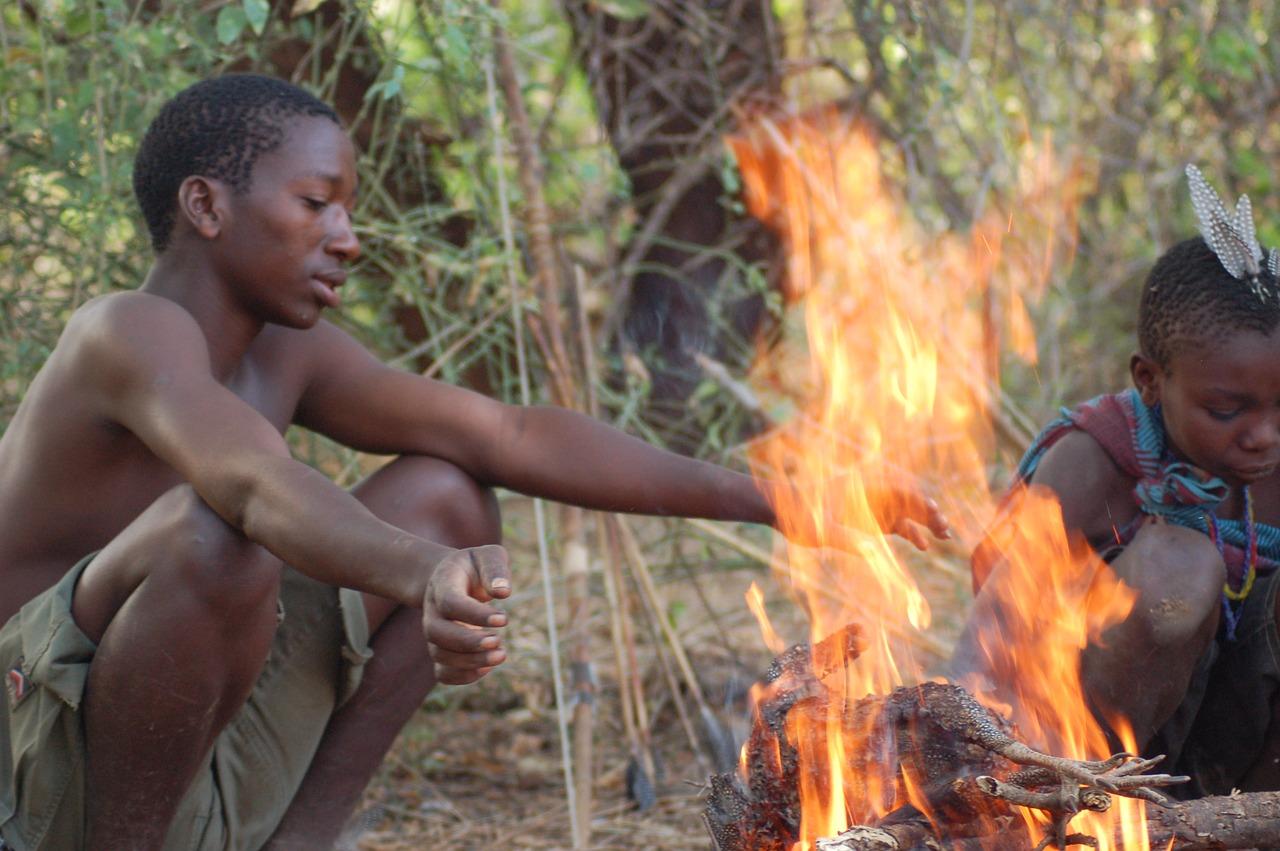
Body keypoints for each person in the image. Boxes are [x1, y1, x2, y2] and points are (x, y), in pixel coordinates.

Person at [0, 74, 946, 851]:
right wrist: (425, 577)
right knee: (220, 528)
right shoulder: (122, 333)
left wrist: (790, 500)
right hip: (42, 774)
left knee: (447, 496)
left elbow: (511, 436)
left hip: (194, 768)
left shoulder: (290, 354)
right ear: (205, 204)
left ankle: (299, 839)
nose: (349, 237)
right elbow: (250, 485)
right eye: (315, 203)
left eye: (349, 209)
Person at [951, 165, 1280, 799]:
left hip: (1230, 756)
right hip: (1081, 742)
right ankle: (1084, 810)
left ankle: (1234, 823)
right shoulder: (1094, 457)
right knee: (1176, 571)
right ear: (1151, 381)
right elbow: (994, 628)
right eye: (1227, 409)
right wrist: (953, 759)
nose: (1264, 435)